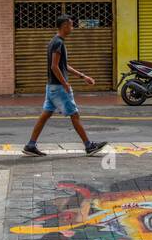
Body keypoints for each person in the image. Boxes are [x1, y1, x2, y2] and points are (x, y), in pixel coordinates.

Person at [23, 15, 107, 156]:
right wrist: (65, 84)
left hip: (51, 87)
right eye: (71, 25)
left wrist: (82, 76)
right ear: (64, 26)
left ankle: (30, 145)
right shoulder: (58, 43)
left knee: (45, 115)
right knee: (75, 115)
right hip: (58, 87)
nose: (72, 28)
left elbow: (63, 65)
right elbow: (54, 67)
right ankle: (89, 146)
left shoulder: (54, 42)